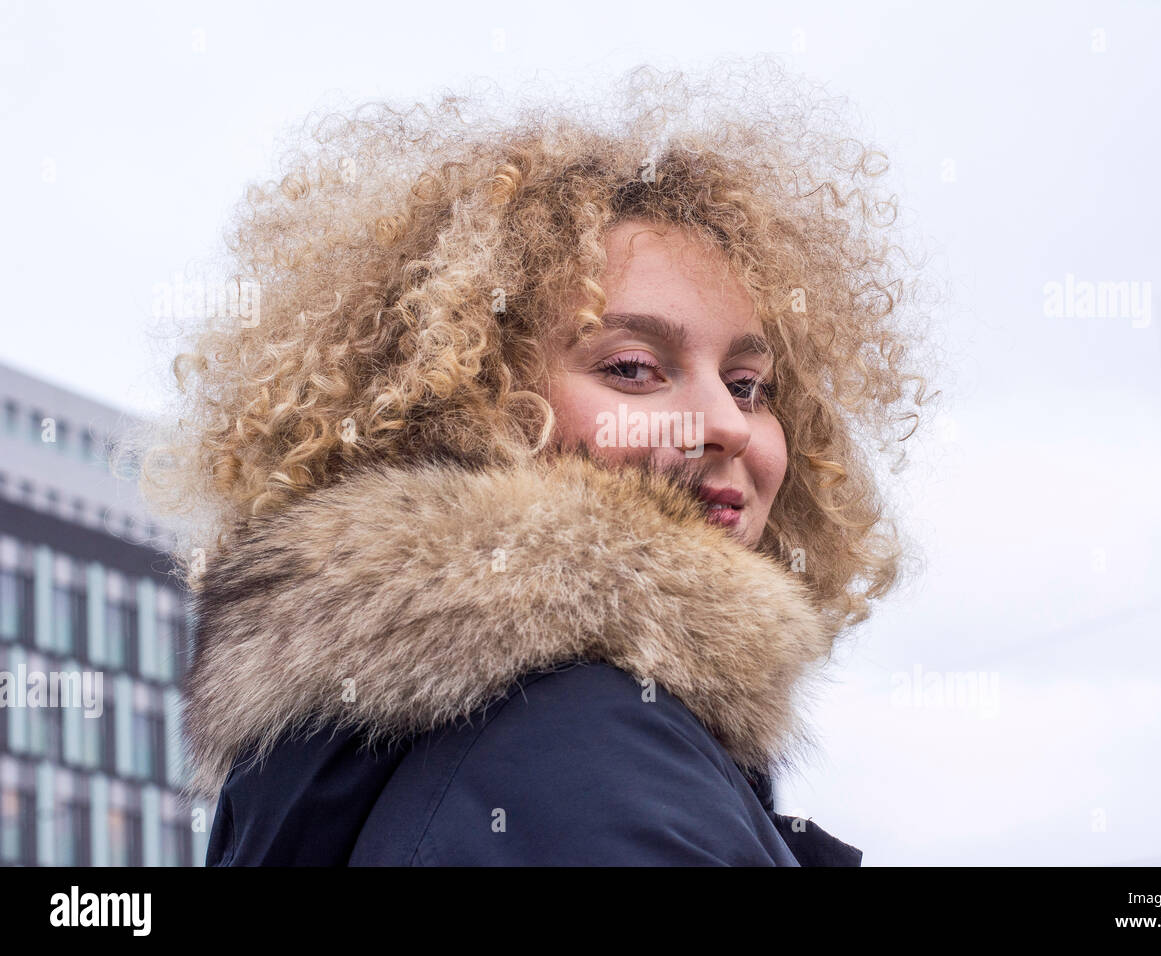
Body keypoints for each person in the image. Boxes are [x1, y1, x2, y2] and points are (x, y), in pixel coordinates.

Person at [136, 58, 934, 865]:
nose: (727, 423)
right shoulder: (587, 738)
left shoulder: (370, 761)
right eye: (632, 368)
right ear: (462, 411)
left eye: (750, 384)